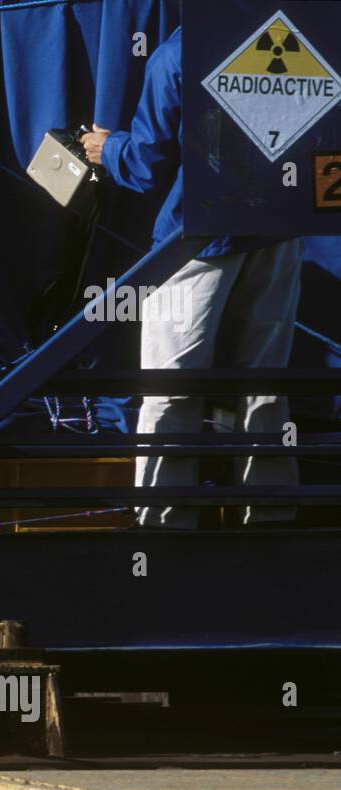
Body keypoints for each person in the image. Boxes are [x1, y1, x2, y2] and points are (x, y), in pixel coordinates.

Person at [80, 26, 302, 529]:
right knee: (266, 383)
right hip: (280, 234)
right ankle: (270, 518)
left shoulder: (178, 53)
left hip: (198, 240)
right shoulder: (295, 39)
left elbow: (147, 165)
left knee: (170, 385)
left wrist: (106, 147)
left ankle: (165, 523)